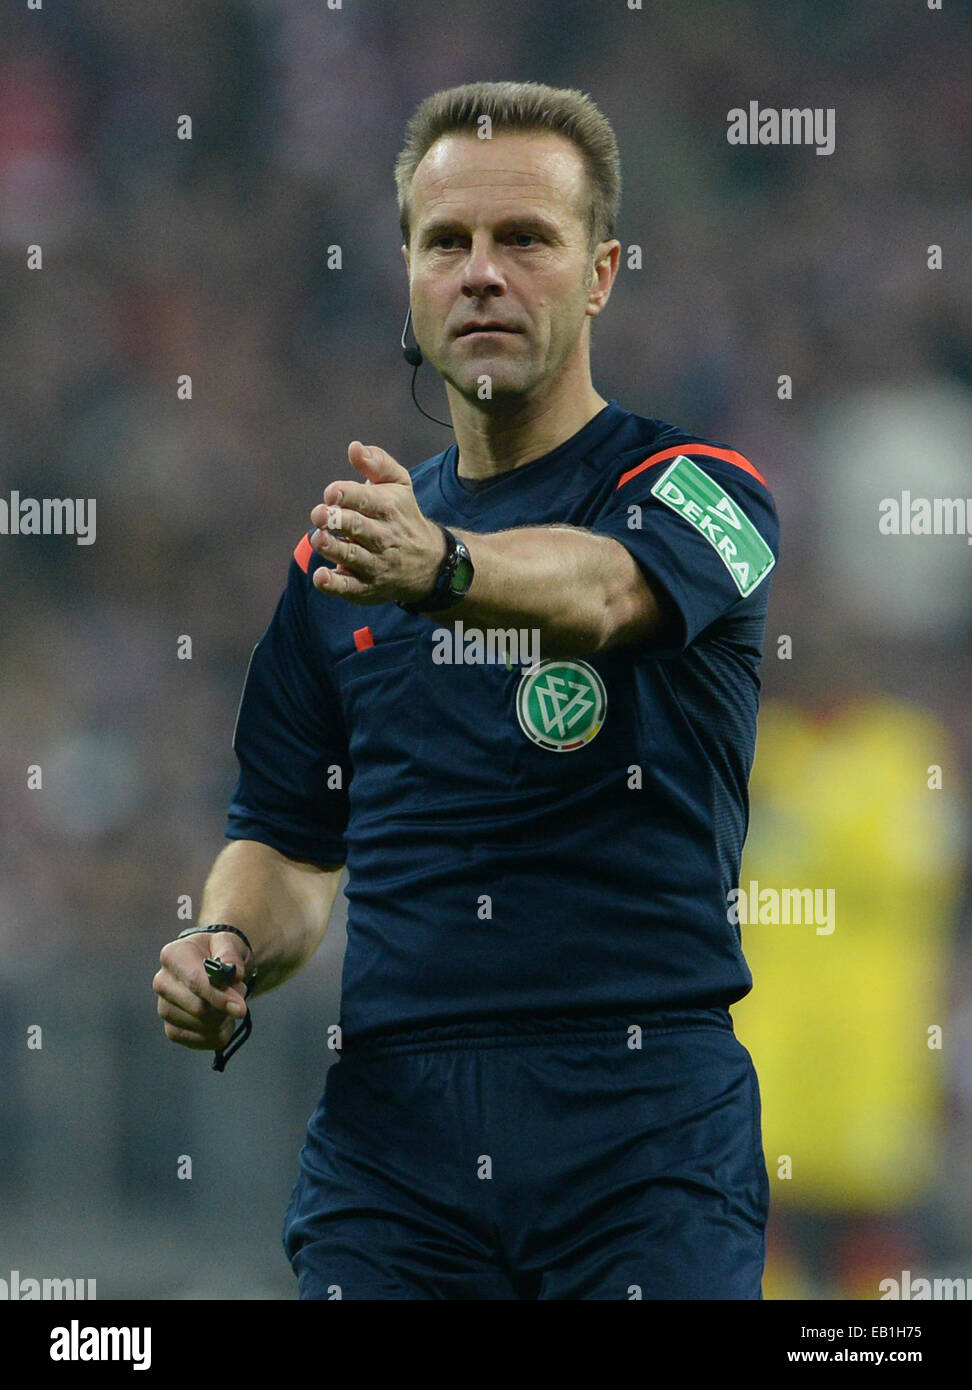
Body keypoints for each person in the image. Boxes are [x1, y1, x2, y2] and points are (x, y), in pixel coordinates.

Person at [153, 79, 780, 1300]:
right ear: (407, 271)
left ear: (599, 273)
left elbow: (604, 592)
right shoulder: (337, 563)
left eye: (525, 240)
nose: (482, 273)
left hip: (642, 1124)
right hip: (398, 1143)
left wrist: (441, 567)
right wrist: (227, 942)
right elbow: (285, 840)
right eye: (447, 242)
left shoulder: (707, 486)